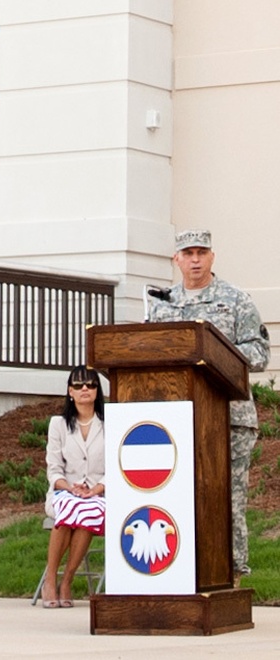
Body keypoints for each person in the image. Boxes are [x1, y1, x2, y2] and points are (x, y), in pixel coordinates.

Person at [147, 228, 270, 578]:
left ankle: (231, 575)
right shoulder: (162, 304)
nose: (195, 260)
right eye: (188, 253)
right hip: (176, 419)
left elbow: (259, 353)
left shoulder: (235, 300)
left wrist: (213, 354)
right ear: (177, 260)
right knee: (180, 498)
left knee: (225, 499)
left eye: (202, 252)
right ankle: (181, 572)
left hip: (229, 418)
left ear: (212, 256)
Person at [40, 365, 106, 608]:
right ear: (70, 391)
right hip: (64, 491)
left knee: (88, 512)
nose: (85, 389)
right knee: (68, 510)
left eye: (90, 384)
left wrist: (95, 489)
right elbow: (54, 468)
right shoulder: (58, 424)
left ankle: (66, 581)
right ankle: (50, 579)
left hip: (98, 494)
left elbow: (115, 468)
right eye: (78, 385)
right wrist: (68, 488)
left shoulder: (109, 424)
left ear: (97, 391)